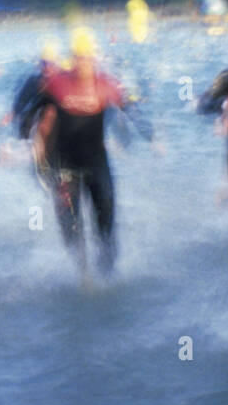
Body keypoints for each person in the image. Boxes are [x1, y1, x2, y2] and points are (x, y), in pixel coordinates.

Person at [32, 27, 152, 282]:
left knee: (106, 225)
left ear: (95, 58)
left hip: (97, 164)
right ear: (71, 59)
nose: (83, 63)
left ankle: (108, 276)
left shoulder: (107, 84)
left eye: (87, 57)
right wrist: (40, 163)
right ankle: (83, 275)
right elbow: (39, 121)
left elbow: (131, 111)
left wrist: (152, 137)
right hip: (64, 166)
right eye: (78, 57)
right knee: (71, 228)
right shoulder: (56, 84)